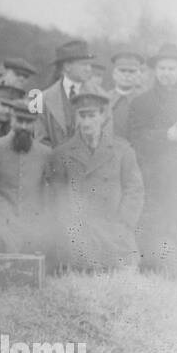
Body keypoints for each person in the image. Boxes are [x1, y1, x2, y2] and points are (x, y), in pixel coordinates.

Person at [44, 90, 144, 271]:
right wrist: (69, 221)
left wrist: (124, 222)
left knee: (123, 270)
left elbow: (134, 190)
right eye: (82, 116)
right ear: (76, 118)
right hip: (78, 227)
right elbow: (56, 195)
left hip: (114, 225)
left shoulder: (122, 150)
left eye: (92, 116)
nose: (86, 122)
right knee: (79, 265)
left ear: (103, 116)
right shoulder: (62, 153)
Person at [126, 43, 177, 276]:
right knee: (152, 226)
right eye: (162, 68)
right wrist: (166, 135)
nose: (166, 73)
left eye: (171, 68)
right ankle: (151, 273)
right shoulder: (141, 102)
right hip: (152, 176)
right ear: (154, 71)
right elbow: (135, 136)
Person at [0, 98, 51, 255]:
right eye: (19, 120)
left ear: (35, 123)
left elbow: (48, 190)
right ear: (11, 119)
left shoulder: (45, 153)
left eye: (29, 122)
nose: (24, 127)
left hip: (32, 221)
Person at [38, 39, 98, 148]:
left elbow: (106, 140)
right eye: (84, 64)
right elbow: (40, 141)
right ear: (67, 66)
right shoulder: (43, 99)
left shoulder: (100, 97)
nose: (89, 69)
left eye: (90, 65)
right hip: (55, 162)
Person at [108, 49, 145, 141]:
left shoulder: (145, 100)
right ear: (114, 74)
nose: (126, 75)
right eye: (122, 70)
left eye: (132, 71)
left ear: (138, 75)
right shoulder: (104, 99)